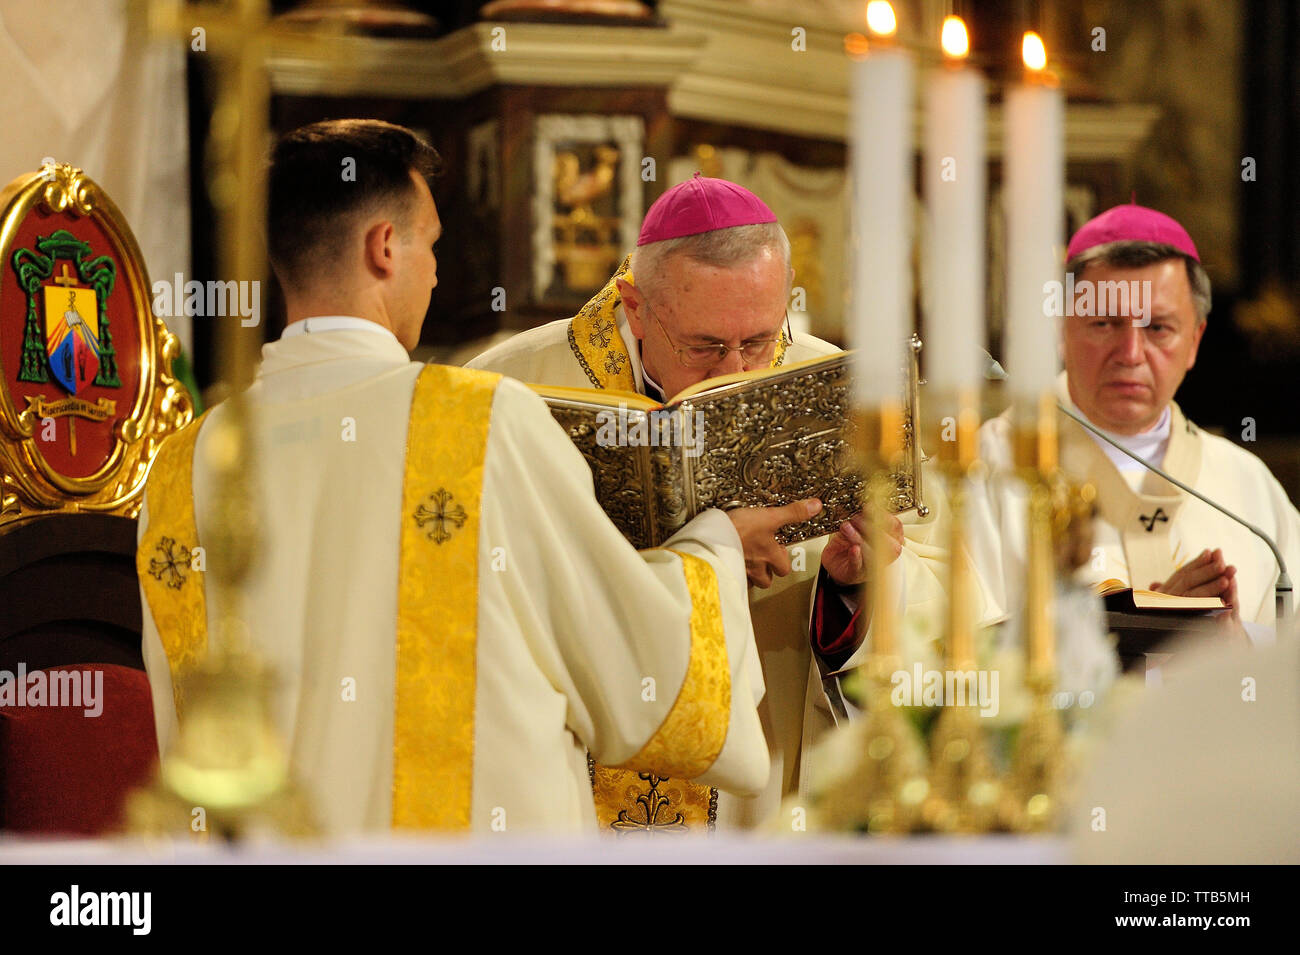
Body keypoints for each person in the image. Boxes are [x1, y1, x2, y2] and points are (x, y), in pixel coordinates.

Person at [136, 120, 772, 835]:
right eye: (431, 244)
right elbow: (654, 684)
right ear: (384, 247)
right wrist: (717, 541)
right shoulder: (480, 424)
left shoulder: (182, 469)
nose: (436, 272)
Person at [468, 174, 950, 828]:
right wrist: (711, 556)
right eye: (706, 347)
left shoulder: (842, 395)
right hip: (570, 788)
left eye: (756, 340)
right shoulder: (504, 387)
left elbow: (939, 591)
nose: (735, 372)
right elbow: (480, 592)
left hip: (758, 786)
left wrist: (853, 586)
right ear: (636, 309)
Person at [969, 203, 1300, 641]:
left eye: (1158, 328)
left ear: (1195, 341)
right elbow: (961, 656)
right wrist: (1146, 630)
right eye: (1105, 323)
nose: (1130, 353)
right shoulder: (986, 466)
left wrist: (1234, 647)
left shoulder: (1247, 486)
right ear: (1062, 330)